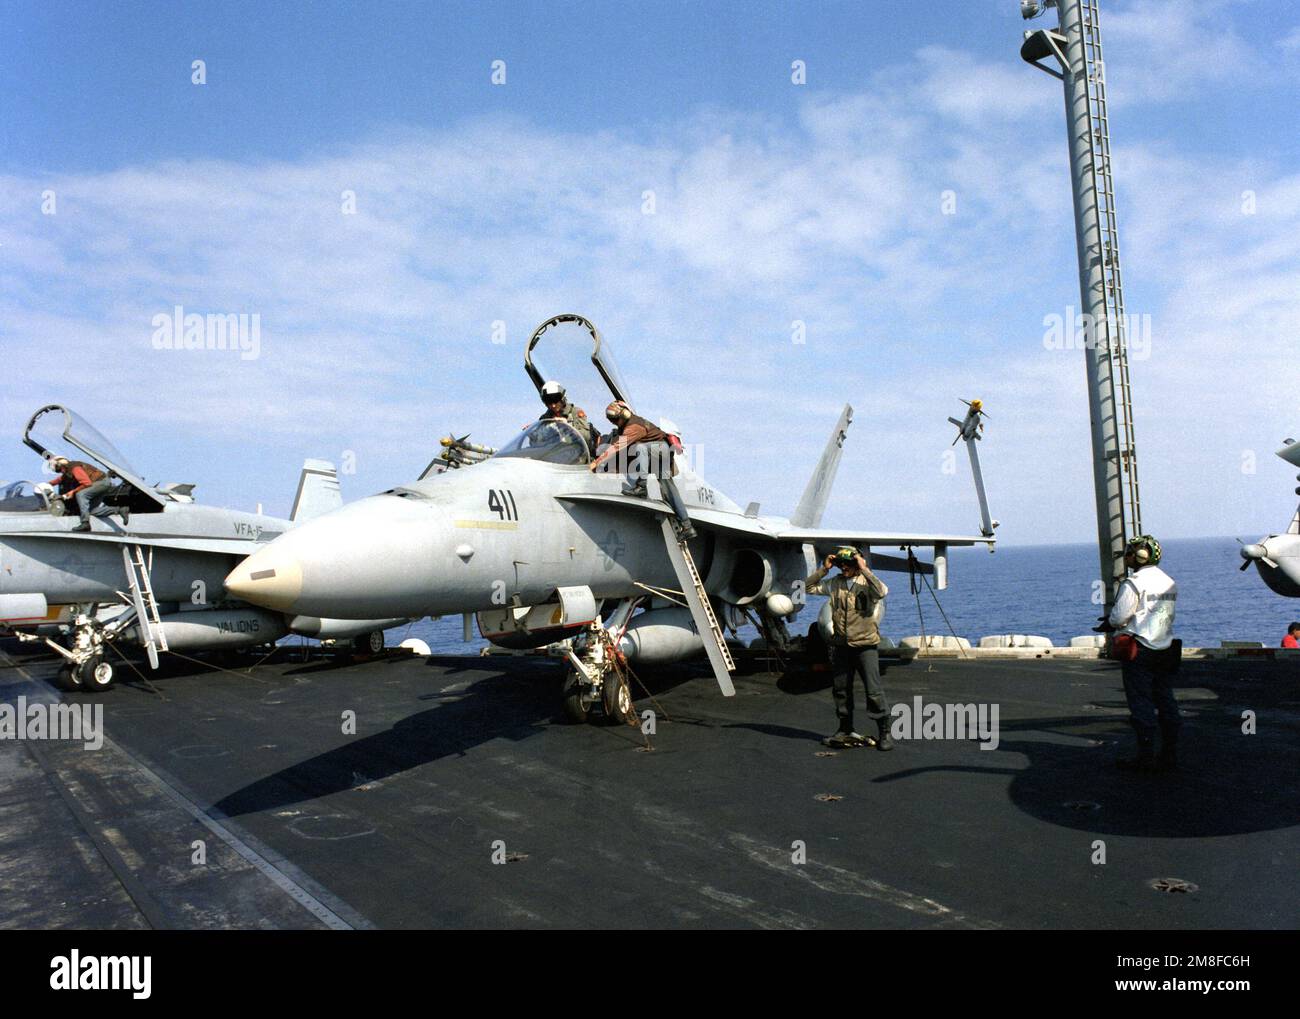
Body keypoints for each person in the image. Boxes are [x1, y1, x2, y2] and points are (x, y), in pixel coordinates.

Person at [806, 546, 894, 751]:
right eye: (841, 564)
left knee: (873, 692)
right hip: (841, 646)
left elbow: (881, 592)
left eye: (848, 564)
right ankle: (845, 728)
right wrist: (824, 570)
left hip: (865, 646)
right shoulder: (835, 584)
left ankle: (884, 732)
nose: (844, 568)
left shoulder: (868, 583)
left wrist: (864, 569)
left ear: (857, 564)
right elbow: (806, 588)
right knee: (841, 691)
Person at [1107, 534, 1180, 772]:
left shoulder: (1134, 582)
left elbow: (1119, 617)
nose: (1127, 555)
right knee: (1166, 701)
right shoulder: (1169, 581)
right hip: (1166, 649)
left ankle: (1145, 757)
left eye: (1130, 552)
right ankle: (1169, 754)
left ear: (1140, 556)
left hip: (1140, 651)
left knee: (1141, 704)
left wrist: (1110, 622)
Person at [589, 401, 696, 541]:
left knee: (640, 448)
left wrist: (595, 463)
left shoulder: (634, 426)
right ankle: (687, 526)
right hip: (659, 455)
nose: (615, 422)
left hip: (661, 450)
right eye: (612, 420)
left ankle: (641, 486)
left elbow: (616, 447)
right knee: (669, 490)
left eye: (616, 418)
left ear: (625, 414)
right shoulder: (627, 425)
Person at [51, 456, 124, 531]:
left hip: (101, 482)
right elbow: (59, 479)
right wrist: (47, 484)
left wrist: (73, 492)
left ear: (62, 465)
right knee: (90, 510)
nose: (61, 472)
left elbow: (87, 483)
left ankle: (85, 523)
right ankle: (120, 510)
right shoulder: (68, 470)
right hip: (101, 484)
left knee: (80, 494)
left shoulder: (75, 468)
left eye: (60, 470)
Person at [538, 380, 598, 455]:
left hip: (579, 457)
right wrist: (533, 434)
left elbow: (586, 437)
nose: (553, 405)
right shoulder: (544, 418)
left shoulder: (575, 413)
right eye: (549, 401)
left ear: (562, 398)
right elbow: (538, 444)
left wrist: (568, 426)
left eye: (555, 400)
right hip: (556, 457)